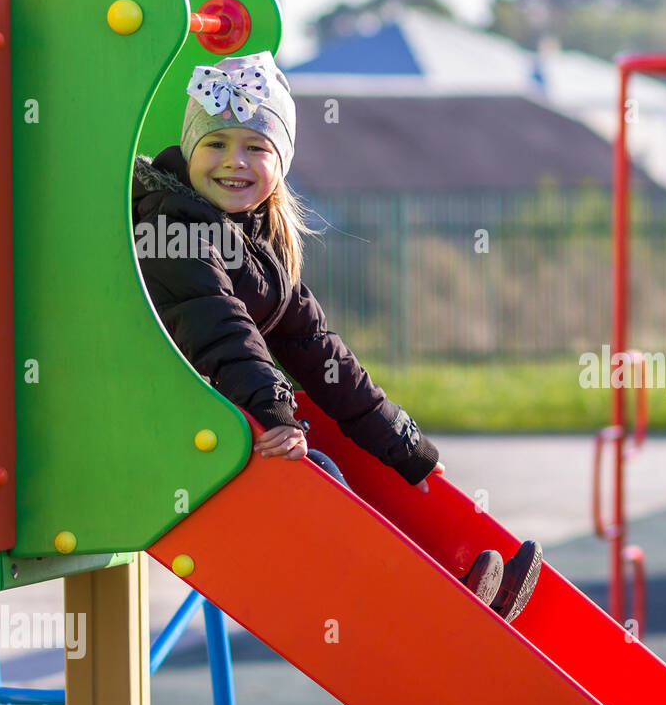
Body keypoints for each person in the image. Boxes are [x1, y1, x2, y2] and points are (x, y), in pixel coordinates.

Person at [131, 50, 538, 623]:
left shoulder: (253, 237)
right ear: (191, 150)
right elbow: (218, 325)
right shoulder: (172, 223)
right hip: (167, 429)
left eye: (255, 147)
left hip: (215, 419)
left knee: (330, 472)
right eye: (216, 144)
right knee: (314, 480)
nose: (233, 162)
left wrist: (402, 441)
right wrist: (274, 410)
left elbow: (318, 347)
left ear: (282, 163)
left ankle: (451, 582)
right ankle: (434, 606)